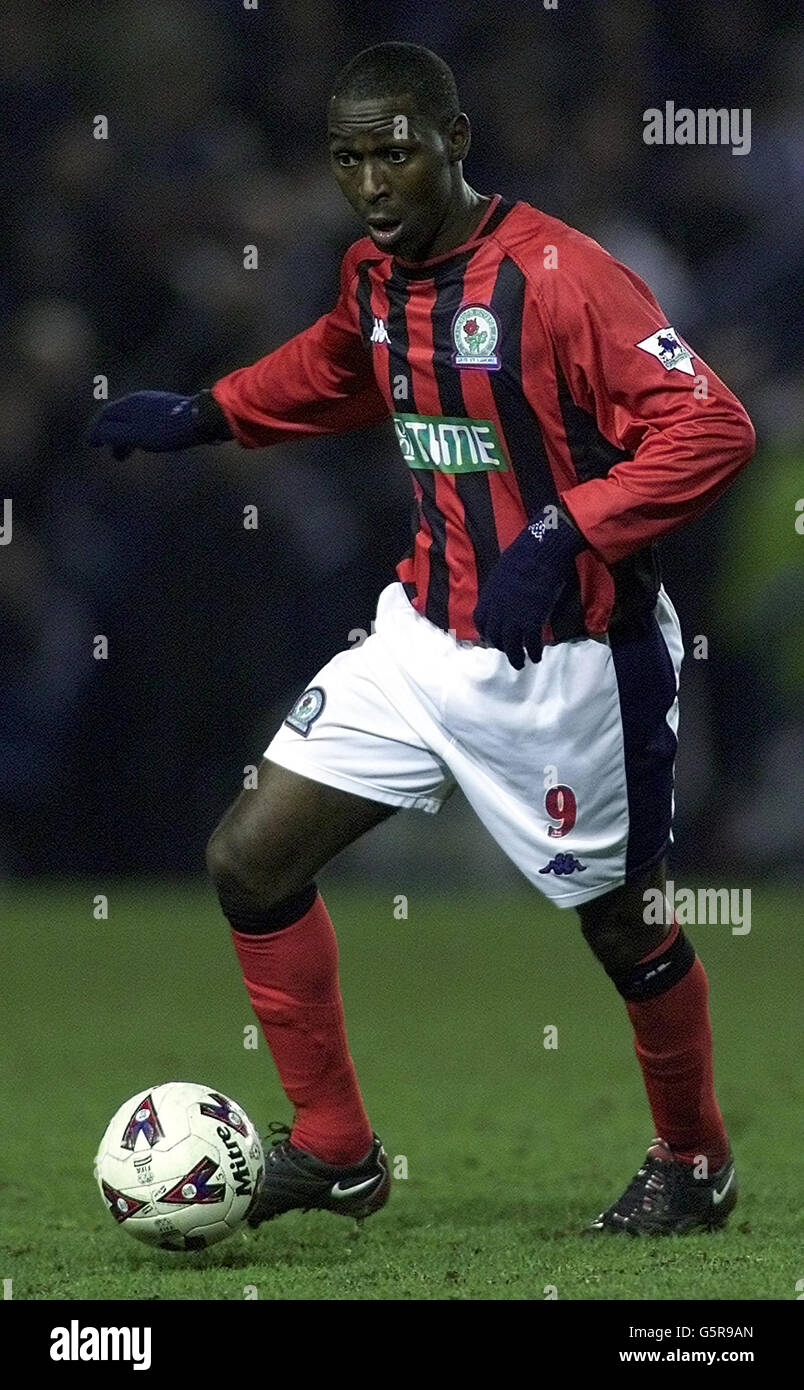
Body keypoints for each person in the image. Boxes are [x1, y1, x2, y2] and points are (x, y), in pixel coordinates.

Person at [90, 42, 755, 1235]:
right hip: (419, 636)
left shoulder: (562, 275)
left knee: (626, 924)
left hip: (572, 662)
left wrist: (566, 534)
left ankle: (695, 1161)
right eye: (348, 157)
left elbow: (712, 424)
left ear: (453, 139)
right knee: (250, 858)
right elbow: (348, 368)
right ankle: (339, 1149)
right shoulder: (372, 274)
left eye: (394, 149)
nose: (372, 181)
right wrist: (206, 413)